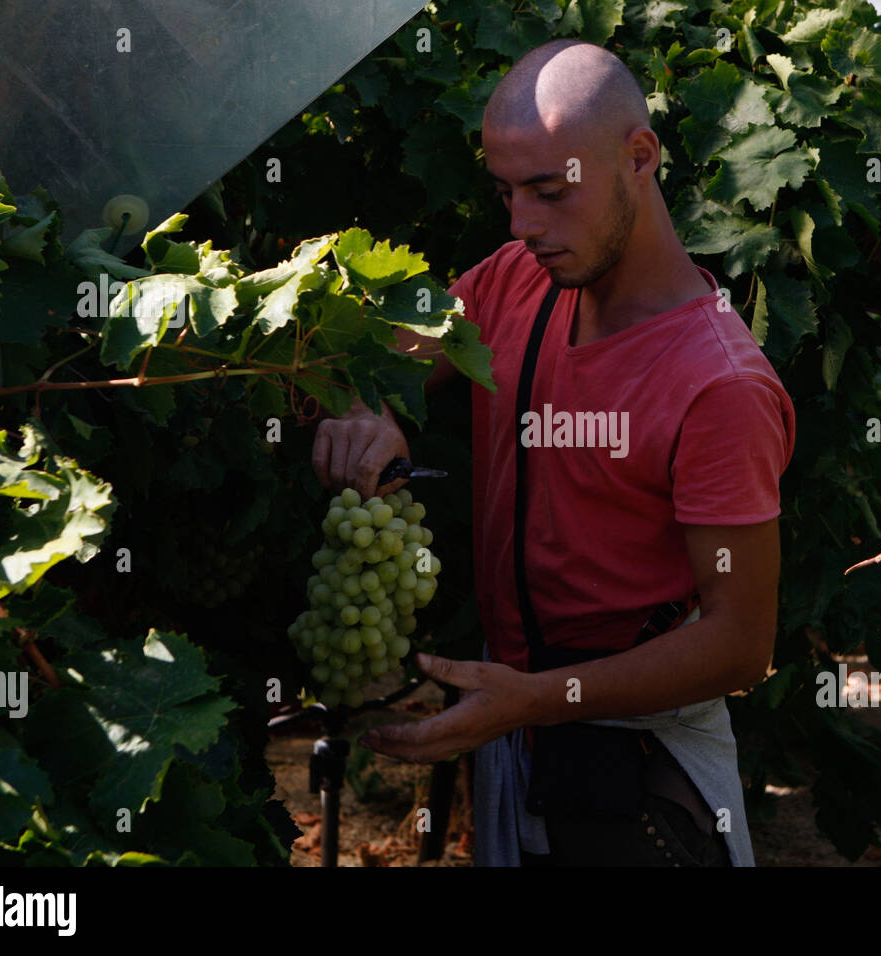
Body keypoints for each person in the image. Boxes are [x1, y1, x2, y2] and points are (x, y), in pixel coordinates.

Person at [311, 38, 795, 866]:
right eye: (505, 194)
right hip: (520, 733)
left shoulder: (719, 387)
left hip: (642, 771)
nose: (522, 225)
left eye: (549, 191)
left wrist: (537, 698)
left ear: (639, 157)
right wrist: (371, 408)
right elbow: (384, 358)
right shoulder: (515, 280)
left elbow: (739, 646)